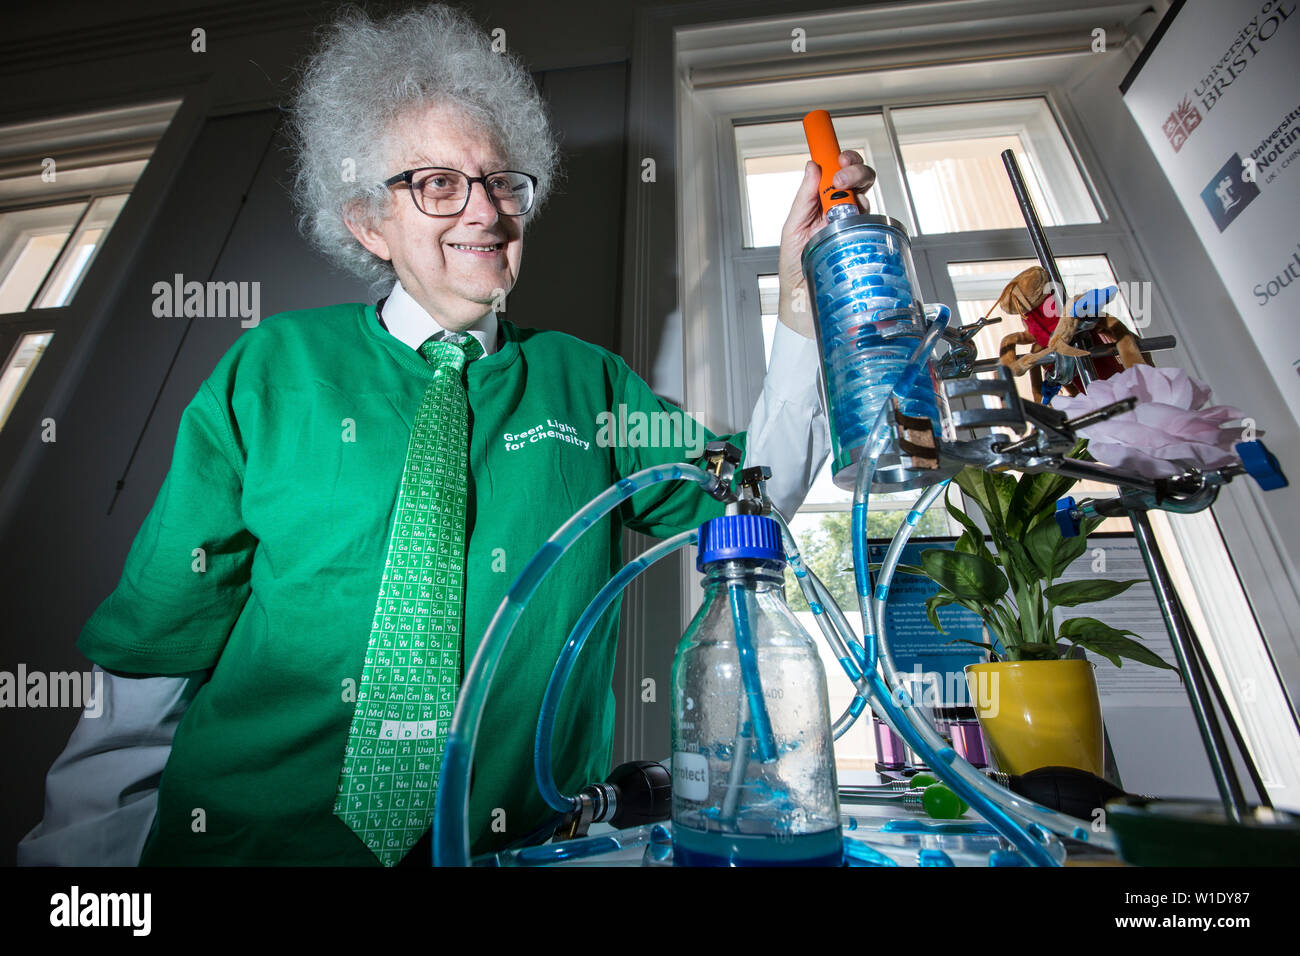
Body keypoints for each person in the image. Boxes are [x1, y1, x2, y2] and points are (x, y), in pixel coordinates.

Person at [19, 4, 875, 866]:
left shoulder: (591, 384)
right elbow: (156, 647)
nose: (485, 211)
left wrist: (801, 307)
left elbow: (751, 498)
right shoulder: (271, 368)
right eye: (436, 184)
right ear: (368, 222)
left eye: (502, 181)